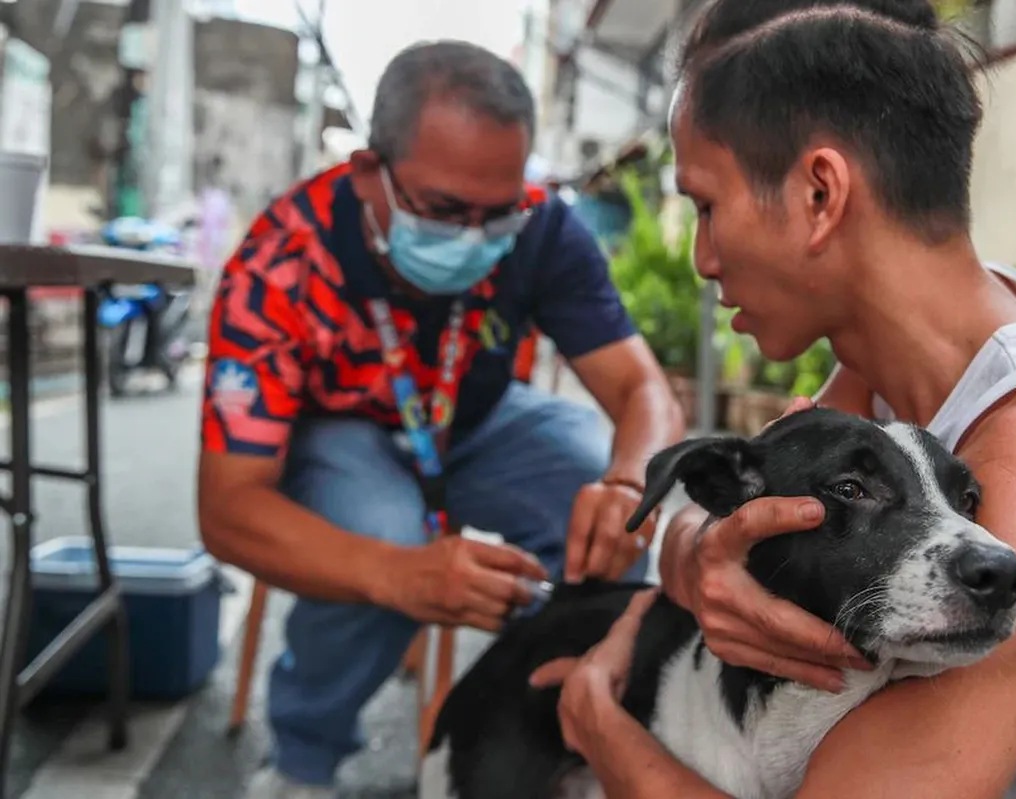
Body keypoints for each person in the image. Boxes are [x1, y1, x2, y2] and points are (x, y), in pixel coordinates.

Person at [529, 2, 1016, 797]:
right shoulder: (910, 365)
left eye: (706, 205)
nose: (704, 259)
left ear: (820, 193)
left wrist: (597, 725)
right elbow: (731, 519)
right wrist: (692, 556)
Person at [196, 40, 685, 798]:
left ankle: (568, 728)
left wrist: (628, 482)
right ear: (369, 173)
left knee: (606, 504)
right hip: (345, 432)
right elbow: (228, 510)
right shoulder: (279, 268)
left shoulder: (543, 228)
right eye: (443, 210)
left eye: (498, 214)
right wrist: (398, 573)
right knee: (381, 534)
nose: (474, 238)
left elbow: (644, 392)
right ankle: (302, 765)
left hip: (479, 419)